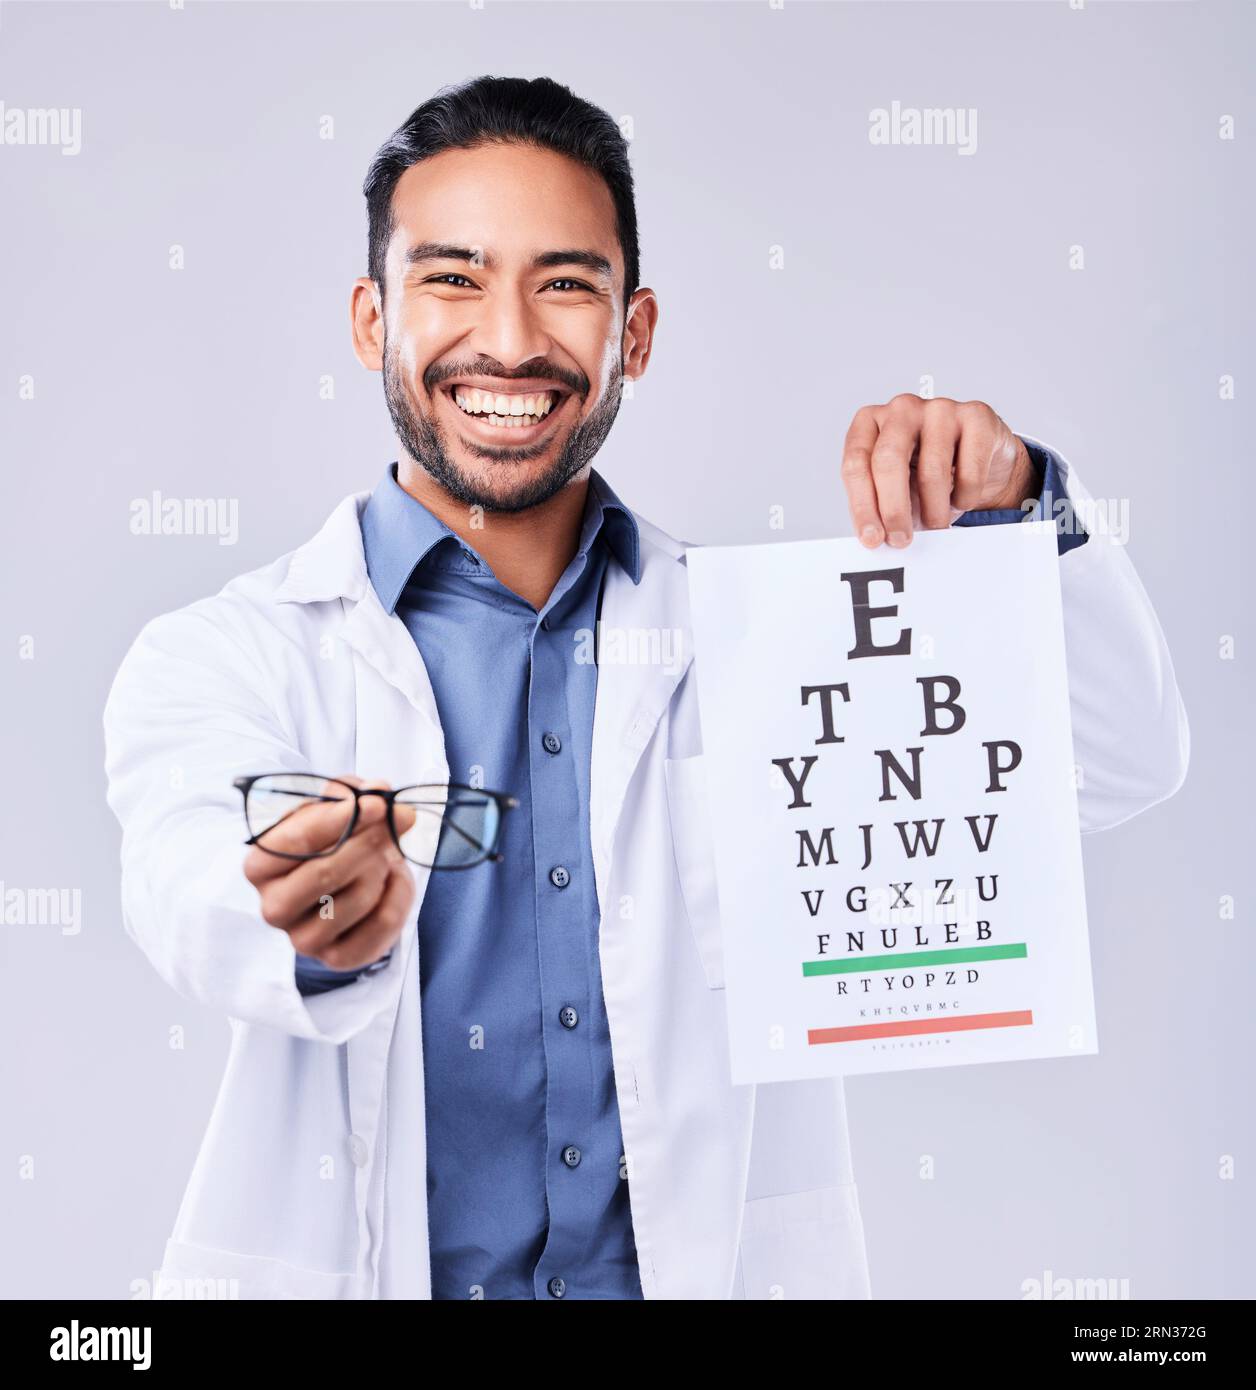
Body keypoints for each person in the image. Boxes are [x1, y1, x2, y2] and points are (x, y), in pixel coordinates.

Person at [102, 76, 1188, 1301]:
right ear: (371, 321)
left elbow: (1120, 760)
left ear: (638, 331)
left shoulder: (767, 647)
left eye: (564, 282)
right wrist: (292, 909)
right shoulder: (233, 651)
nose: (508, 340)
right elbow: (183, 866)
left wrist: (1022, 510)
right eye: (450, 277)